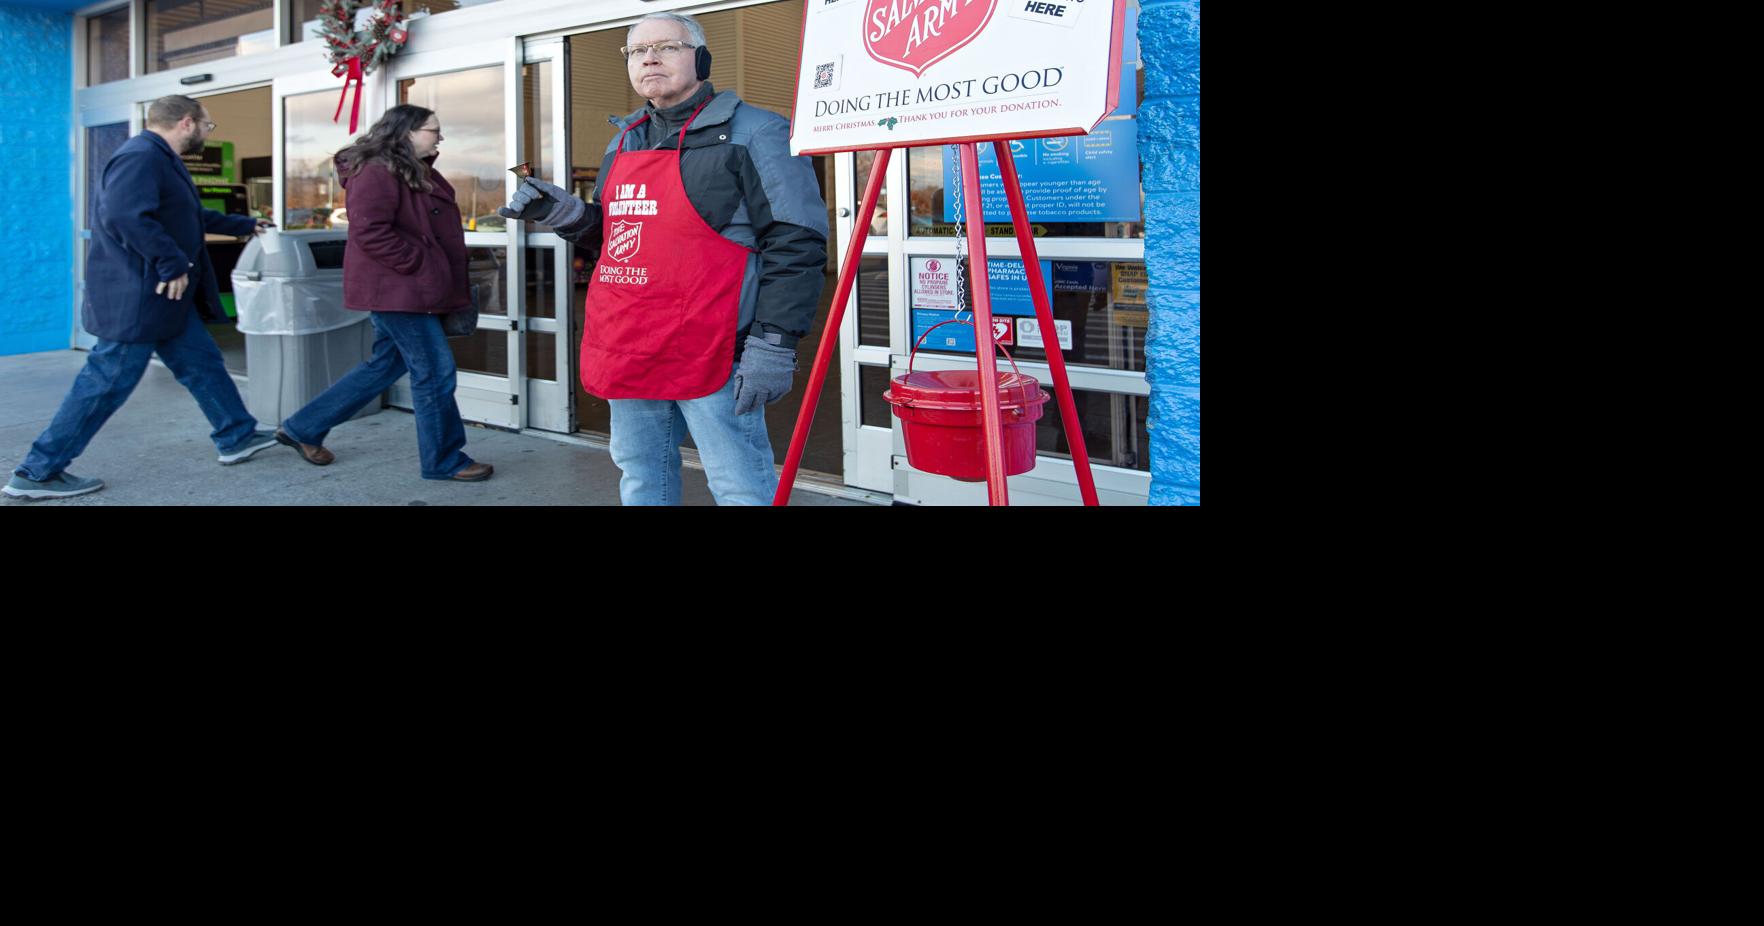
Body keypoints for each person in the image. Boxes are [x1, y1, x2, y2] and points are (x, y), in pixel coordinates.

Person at [499, 11, 827, 505]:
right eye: (637, 50)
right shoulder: (624, 139)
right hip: (632, 342)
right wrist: (567, 214)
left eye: (667, 46)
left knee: (739, 484)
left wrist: (775, 342)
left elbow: (796, 242)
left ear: (701, 59)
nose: (649, 58)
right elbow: (623, 237)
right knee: (640, 474)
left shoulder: (756, 132)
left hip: (716, 346)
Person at [5, 95, 280, 500]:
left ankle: (236, 434)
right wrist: (171, 263)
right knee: (106, 382)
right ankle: (38, 470)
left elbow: (186, 215)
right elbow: (123, 216)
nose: (207, 133)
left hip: (162, 299)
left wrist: (244, 224)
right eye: (207, 125)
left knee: (202, 363)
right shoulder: (141, 157)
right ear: (186, 122)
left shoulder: (160, 158)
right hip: (139, 298)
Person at [273, 105, 492, 482]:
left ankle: (303, 427)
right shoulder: (377, 171)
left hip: (410, 289)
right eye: (433, 130)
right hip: (400, 291)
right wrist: (420, 263)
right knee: (434, 372)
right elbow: (370, 231)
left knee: (385, 366)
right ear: (407, 132)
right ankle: (444, 460)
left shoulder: (412, 168)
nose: (440, 137)